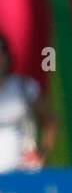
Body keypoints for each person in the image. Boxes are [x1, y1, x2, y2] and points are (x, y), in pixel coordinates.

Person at [0, 33, 55, 172]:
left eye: (1, 52)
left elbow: (50, 121)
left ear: (7, 56)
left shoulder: (24, 87)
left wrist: (41, 154)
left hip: (22, 175)